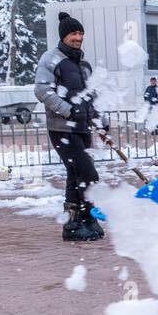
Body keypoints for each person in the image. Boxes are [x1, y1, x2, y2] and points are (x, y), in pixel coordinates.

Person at [35, 12, 104, 242]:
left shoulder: (83, 64)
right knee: (87, 172)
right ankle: (79, 219)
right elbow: (42, 91)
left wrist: (98, 120)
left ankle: (80, 220)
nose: (78, 37)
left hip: (82, 128)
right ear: (64, 36)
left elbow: (90, 95)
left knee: (77, 174)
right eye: (74, 33)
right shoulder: (51, 59)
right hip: (62, 128)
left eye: (81, 33)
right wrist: (68, 110)